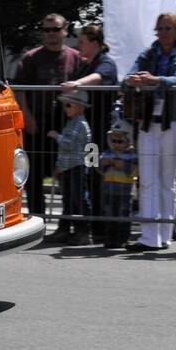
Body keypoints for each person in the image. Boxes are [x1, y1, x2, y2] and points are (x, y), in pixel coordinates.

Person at [124, 12, 176, 252]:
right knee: (147, 179)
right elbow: (128, 76)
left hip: (173, 121)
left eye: (168, 28)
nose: (163, 32)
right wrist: (133, 80)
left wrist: (154, 80)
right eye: (160, 28)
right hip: (148, 121)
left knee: (167, 181)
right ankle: (148, 236)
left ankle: (165, 234)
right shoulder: (147, 54)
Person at [13, 14, 85, 217]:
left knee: (68, 175)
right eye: (46, 30)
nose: (50, 34)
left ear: (65, 30)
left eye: (55, 29)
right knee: (34, 175)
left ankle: (68, 222)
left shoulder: (75, 57)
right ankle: (38, 219)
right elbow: (20, 90)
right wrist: (26, 117)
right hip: (36, 124)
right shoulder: (31, 58)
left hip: (65, 126)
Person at [62, 23, 119, 233]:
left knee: (97, 176)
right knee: (88, 177)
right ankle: (88, 225)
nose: (78, 46)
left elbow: (99, 77)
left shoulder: (105, 63)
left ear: (95, 42)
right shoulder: (86, 65)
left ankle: (100, 227)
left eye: (83, 42)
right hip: (87, 135)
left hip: (101, 133)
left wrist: (77, 83)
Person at [46, 91, 93, 244]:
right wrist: (59, 167)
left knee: (77, 200)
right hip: (68, 167)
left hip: (76, 167)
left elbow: (68, 144)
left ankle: (83, 232)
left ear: (80, 107)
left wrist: (56, 136)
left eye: (68, 105)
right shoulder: (73, 122)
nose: (65, 108)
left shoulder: (80, 124)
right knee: (68, 200)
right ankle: (64, 229)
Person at [99, 121, 139, 248]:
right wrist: (102, 163)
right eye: (113, 141)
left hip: (125, 192)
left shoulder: (132, 154)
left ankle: (123, 238)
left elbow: (135, 171)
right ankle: (110, 238)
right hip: (109, 190)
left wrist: (123, 166)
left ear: (128, 141)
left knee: (123, 215)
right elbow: (100, 170)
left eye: (120, 142)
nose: (116, 144)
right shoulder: (107, 153)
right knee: (109, 214)